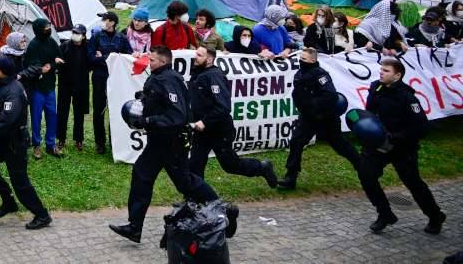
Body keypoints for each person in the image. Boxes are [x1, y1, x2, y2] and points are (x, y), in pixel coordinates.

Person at [110, 46, 222, 243]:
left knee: (185, 182)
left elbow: (177, 115)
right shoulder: (157, 76)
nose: (148, 62)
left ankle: (220, 211)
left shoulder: (169, 79)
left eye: (152, 60)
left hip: (172, 143)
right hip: (157, 142)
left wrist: (149, 121)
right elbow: (158, 101)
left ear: (163, 62)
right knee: (141, 176)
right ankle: (135, 227)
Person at [357, 57, 446, 235]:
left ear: (397, 76)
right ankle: (385, 214)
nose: (381, 72)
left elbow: (421, 127)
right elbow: (369, 113)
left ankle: (435, 216)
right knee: (366, 175)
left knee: (413, 183)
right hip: (379, 144)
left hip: (403, 148)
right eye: (381, 69)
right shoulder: (376, 87)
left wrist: (397, 136)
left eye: (386, 71)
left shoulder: (407, 96)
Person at [0, 55, 52, 229]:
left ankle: (42, 215)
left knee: (20, 181)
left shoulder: (14, 91)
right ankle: (8, 202)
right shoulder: (2, 84)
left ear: (5, 72)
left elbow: (7, 119)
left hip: (15, 142)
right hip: (0, 139)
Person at [188, 46, 277, 187]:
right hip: (202, 131)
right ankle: (195, 200)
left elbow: (223, 106)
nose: (195, 57)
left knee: (230, 165)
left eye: (199, 55)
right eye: (196, 54)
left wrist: (205, 121)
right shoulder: (197, 75)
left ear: (210, 59)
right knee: (195, 165)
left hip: (219, 129)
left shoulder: (213, 76)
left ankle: (262, 167)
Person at [278, 47, 360, 190]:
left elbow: (330, 95)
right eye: (300, 58)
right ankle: (291, 177)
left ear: (313, 60)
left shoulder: (320, 75)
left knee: (340, 145)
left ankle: (362, 166)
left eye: (304, 59)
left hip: (325, 117)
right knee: (296, 142)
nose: (301, 61)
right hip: (308, 118)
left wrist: (312, 105)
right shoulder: (301, 73)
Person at [88, 11, 130, 154]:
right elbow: (91, 57)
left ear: (112, 22)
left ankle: (115, 141)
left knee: (115, 109)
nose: (102, 22)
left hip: (116, 78)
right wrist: (112, 57)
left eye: (104, 19)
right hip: (99, 77)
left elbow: (127, 57)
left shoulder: (122, 38)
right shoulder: (96, 37)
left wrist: (105, 56)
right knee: (99, 109)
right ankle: (100, 142)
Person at [23, 18, 63, 159]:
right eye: (45, 27)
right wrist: (40, 69)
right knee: (36, 117)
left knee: (52, 115)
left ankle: (51, 145)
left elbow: (58, 58)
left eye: (49, 26)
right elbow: (30, 65)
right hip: (37, 88)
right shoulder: (33, 45)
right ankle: (37, 145)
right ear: (39, 29)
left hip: (50, 86)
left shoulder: (52, 41)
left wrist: (51, 65)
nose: (48, 29)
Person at [56, 23, 90, 153]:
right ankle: (61, 138)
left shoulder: (87, 47)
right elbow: (57, 62)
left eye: (78, 33)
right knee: (62, 112)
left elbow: (91, 63)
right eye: (74, 32)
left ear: (83, 35)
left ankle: (79, 139)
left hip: (81, 85)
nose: (75, 35)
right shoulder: (64, 46)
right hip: (65, 84)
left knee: (79, 113)